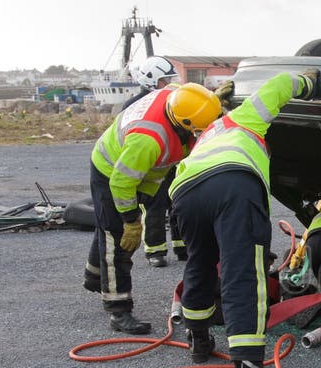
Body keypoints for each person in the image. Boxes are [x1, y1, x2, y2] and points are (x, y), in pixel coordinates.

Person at [170, 70, 319, 368]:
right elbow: (280, 85)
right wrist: (308, 81)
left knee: (200, 262)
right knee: (243, 274)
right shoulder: (241, 118)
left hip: (184, 192)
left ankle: (198, 340)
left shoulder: (204, 137)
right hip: (233, 183)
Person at [83, 82, 222, 335]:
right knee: (118, 238)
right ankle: (118, 309)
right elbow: (121, 182)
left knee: (106, 227)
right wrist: (132, 221)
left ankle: (94, 276)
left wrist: (213, 101)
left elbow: (187, 96)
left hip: (141, 172)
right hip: (112, 173)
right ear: (186, 124)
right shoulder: (148, 140)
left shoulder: (179, 99)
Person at [125, 57, 185, 268]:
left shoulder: (172, 100)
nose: (169, 84)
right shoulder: (135, 105)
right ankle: (155, 251)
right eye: (164, 80)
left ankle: (182, 246)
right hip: (151, 166)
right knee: (154, 207)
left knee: (178, 204)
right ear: (150, 80)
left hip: (172, 161)